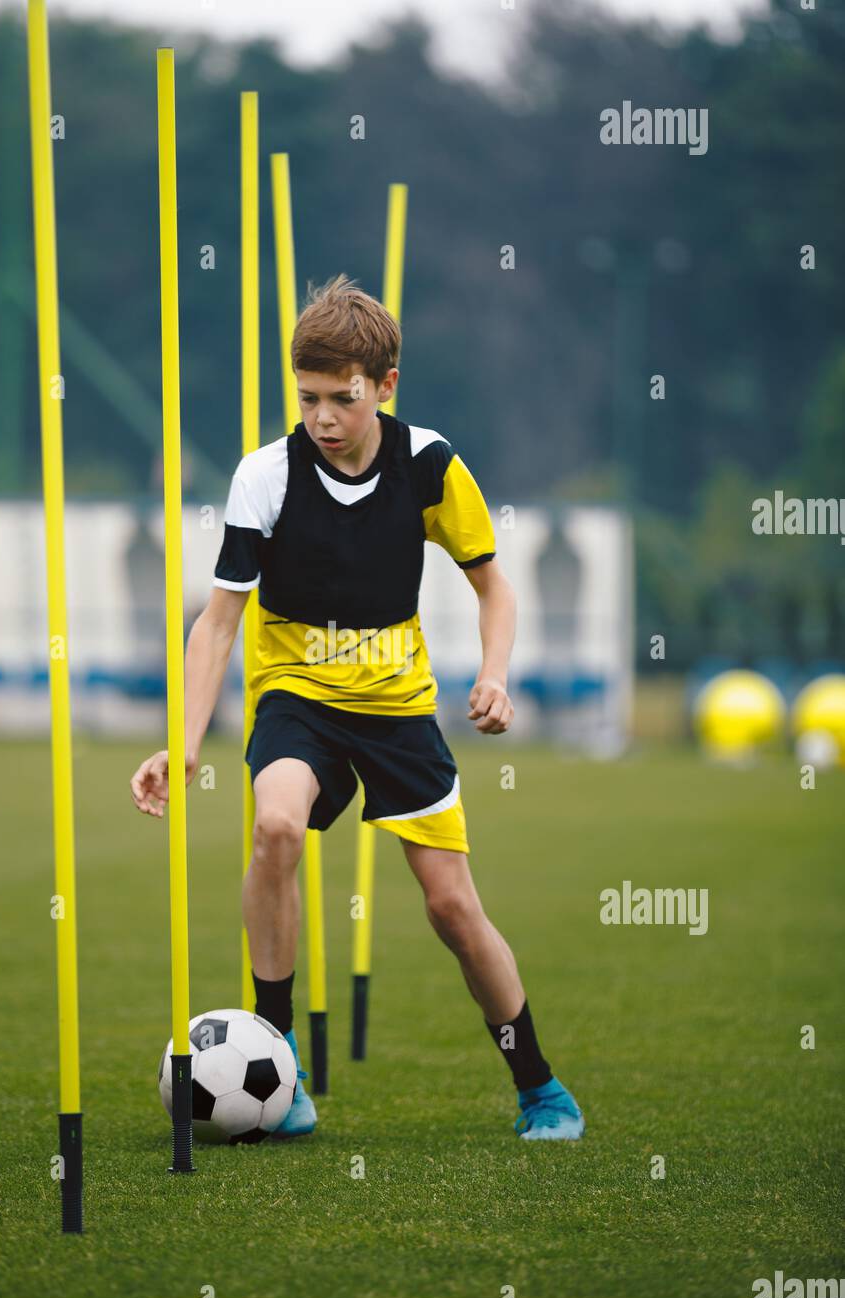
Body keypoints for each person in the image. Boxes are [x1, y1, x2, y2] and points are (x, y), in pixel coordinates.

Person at [131, 274, 584, 1141]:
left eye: (342, 399)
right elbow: (216, 623)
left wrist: (494, 675)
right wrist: (183, 745)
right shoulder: (265, 475)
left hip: (398, 705)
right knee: (274, 826)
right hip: (296, 695)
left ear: (384, 386)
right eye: (308, 399)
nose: (324, 418)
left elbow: (495, 588)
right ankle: (282, 1061)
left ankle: (539, 1087)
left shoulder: (430, 464)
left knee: (451, 907)